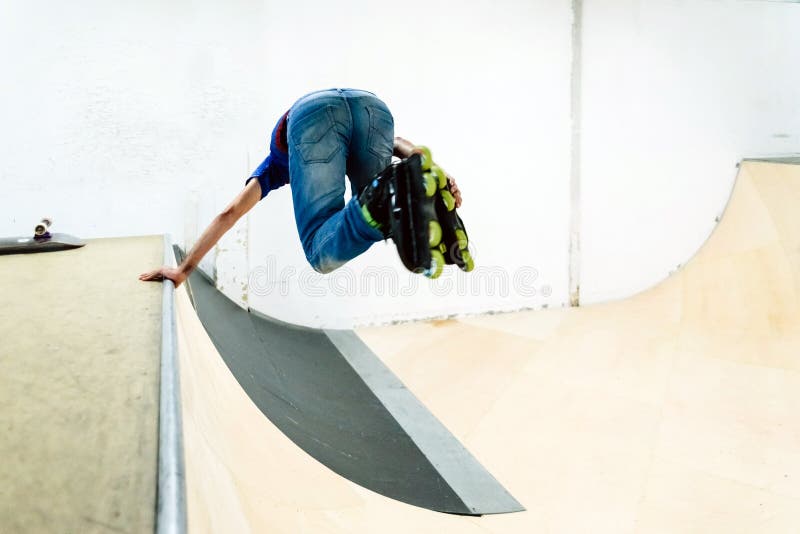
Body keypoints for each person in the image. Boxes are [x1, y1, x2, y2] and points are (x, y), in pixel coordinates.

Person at [140, 88, 465, 288]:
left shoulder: (275, 164)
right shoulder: (283, 164)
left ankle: (380, 200)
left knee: (320, 252)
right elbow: (396, 142)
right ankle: (419, 210)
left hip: (312, 113)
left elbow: (230, 213)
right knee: (388, 207)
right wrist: (434, 170)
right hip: (372, 107)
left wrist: (183, 270)